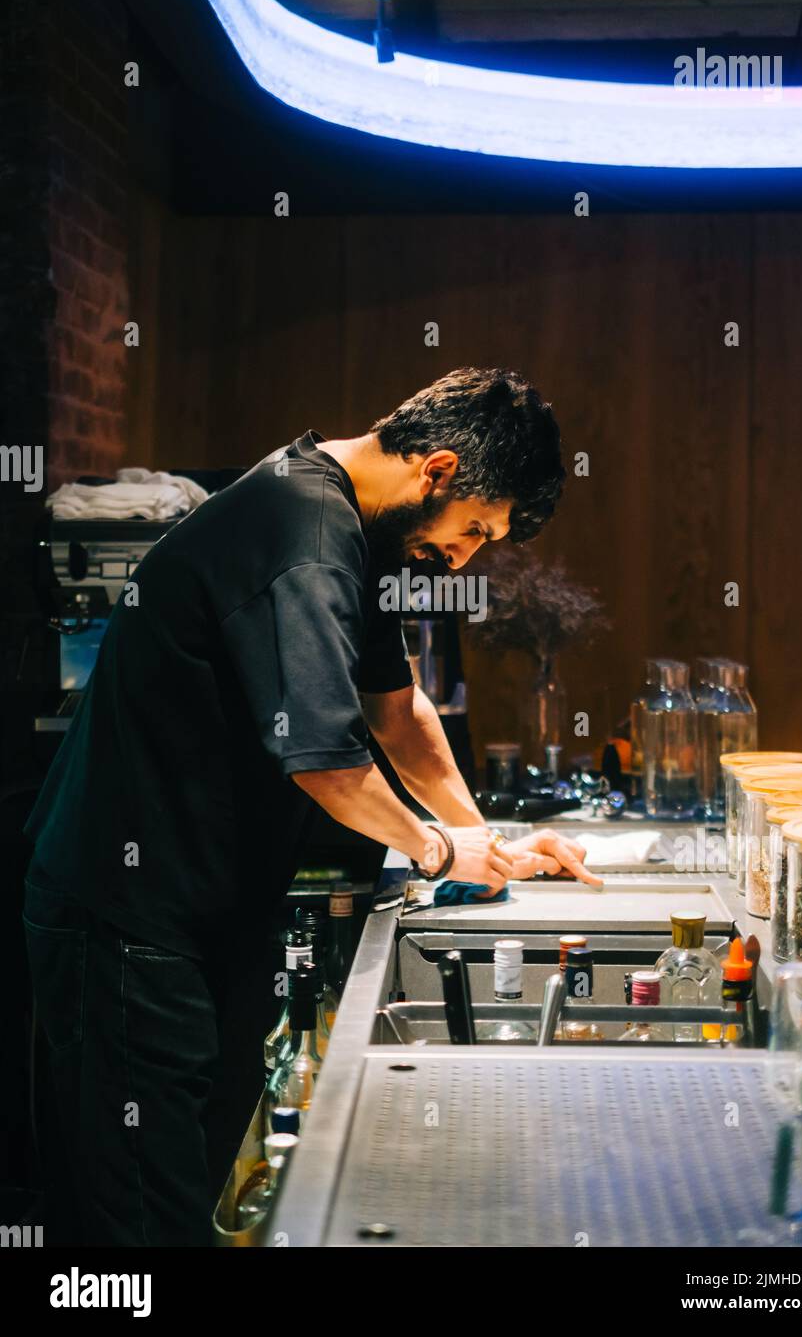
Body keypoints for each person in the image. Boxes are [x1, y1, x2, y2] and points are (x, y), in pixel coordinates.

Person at [23, 366, 598, 1246]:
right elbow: (327, 762)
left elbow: (399, 714)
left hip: (199, 913)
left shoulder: (349, 523)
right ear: (438, 470)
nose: (468, 555)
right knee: (140, 1218)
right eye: (475, 530)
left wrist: (486, 843)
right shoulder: (306, 530)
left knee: (192, 1188)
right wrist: (440, 853)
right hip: (127, 917)